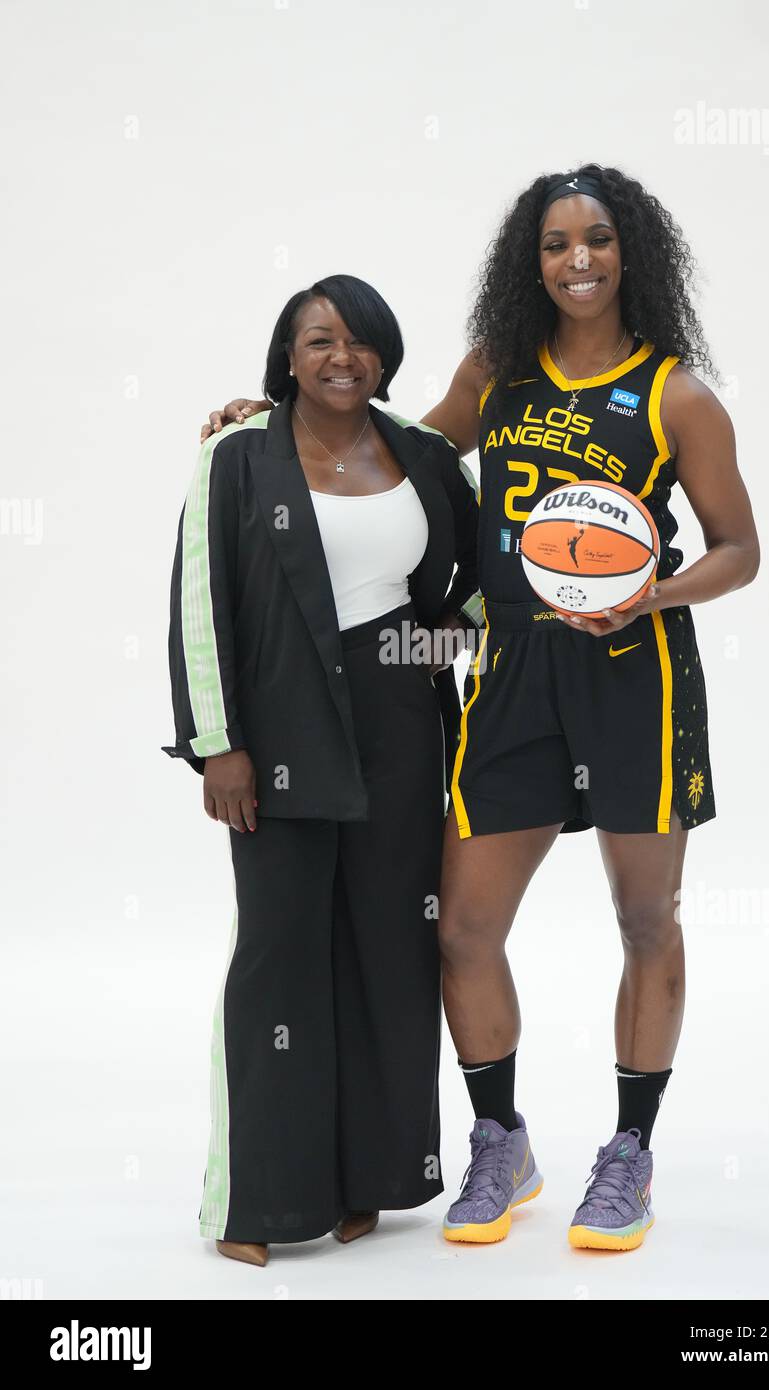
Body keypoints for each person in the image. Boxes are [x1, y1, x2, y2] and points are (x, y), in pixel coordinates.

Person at [201, 163, 760, 1252]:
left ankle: (628, 1151)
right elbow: (393, 442)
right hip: (506, 671)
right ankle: (500, 1137)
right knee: (458, 927)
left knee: (645, 919)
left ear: (628, 251)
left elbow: (741, 550)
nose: (578, 259)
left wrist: (656, 588)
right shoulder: (497, 370)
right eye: (555, 244)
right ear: (531, 261)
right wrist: (263, 421)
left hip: (630, 671)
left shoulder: (674, 394)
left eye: (596, 239)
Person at [165, 274, 479, 1265]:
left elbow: (472, 598)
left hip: (397, 731)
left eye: (359, 341)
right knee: (278, 958)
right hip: (277, 727)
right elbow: (198, 603)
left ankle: (368, 1183)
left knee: (389, 955)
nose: (340, 357)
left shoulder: (426, 458)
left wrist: (419, 661)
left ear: (384, 355)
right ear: (287, 356)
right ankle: (255, 1199)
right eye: (317, 341)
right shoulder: (236, 455)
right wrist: (218, 744)